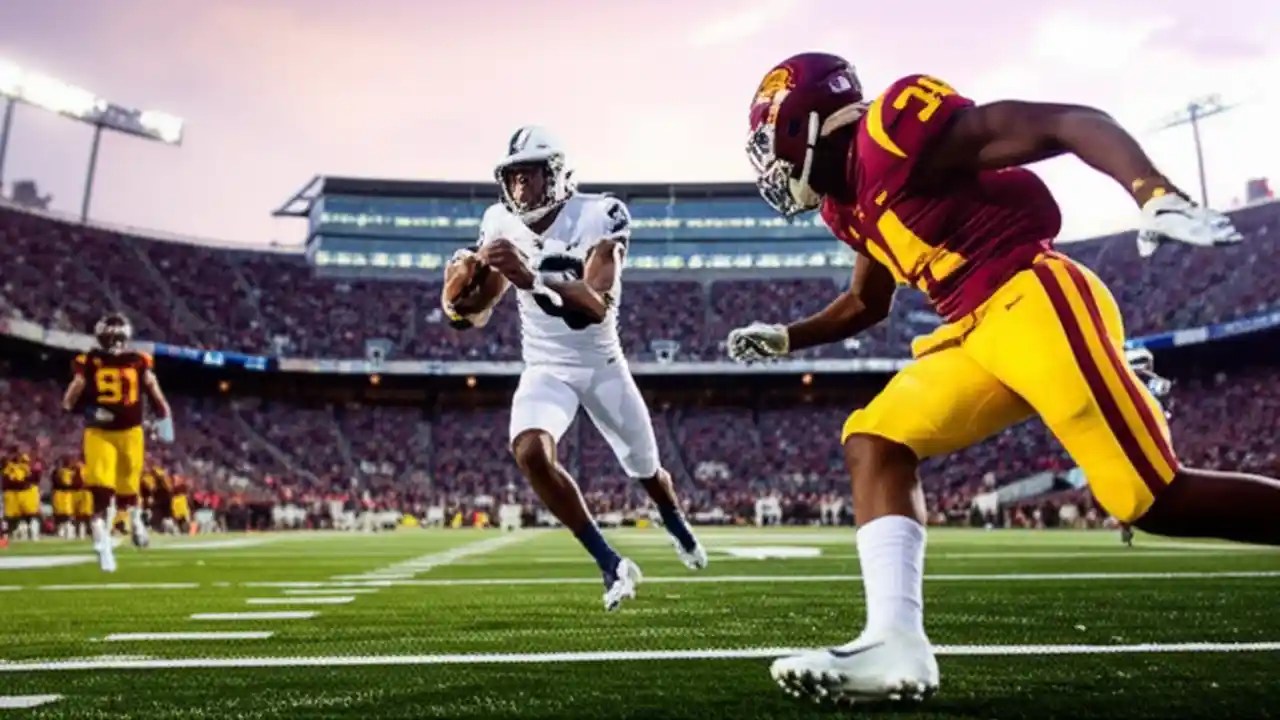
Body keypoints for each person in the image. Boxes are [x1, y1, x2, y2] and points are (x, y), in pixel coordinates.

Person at [726, 52, 1276, 705]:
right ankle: (894, 645)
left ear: (805, 125)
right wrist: (790, 336)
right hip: (972, 331)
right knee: (874, 439)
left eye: (772, 144)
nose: (773, 165)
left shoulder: (892, 133)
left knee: (1150, 499)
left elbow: (1068, 121)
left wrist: (1151, 191)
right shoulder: (846, 207)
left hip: (1031, 297)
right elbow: (867, 302)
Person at [441, 126, 707, 611]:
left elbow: (595, 305)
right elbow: (478, 311)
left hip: (602, 365)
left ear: (558, 175)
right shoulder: (500, 220)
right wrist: (460, 298)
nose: (521, 190)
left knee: (648, 472)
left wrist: (532, 276)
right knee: (529, 451)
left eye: (531, 178)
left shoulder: (599, 214)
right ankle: (611, 564)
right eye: (514, 179)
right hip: (546, 366)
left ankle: (675, 521)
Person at [62, 313, 174, 571]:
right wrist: (164, 414)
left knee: (113, 492)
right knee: (118, 489)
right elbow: (153, 389)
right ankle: (119, 534)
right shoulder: (138, 360)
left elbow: (70, 398)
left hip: (107, 432)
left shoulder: (89, 360)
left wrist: (82, 410)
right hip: (122, 432)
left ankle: (124, 530)